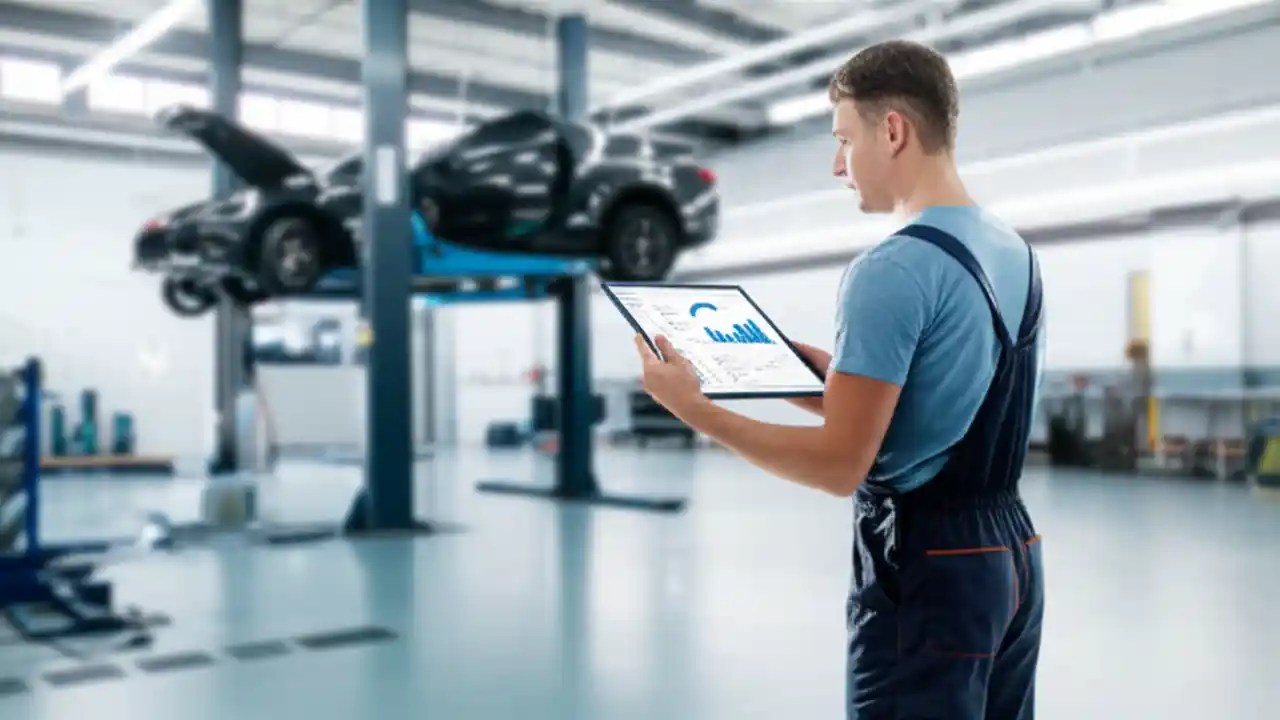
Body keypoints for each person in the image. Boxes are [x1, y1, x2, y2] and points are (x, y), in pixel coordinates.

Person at [634, 39, 1045, 720]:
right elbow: (933, 394)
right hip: (1011, 556)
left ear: (893, 131)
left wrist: (694, 409)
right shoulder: (1015, 251)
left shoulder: (890, 269)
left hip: (926, 565)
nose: (837, 165)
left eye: (844, 140)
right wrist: (779, 366)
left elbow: (837, 464)